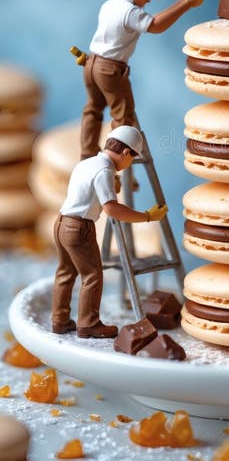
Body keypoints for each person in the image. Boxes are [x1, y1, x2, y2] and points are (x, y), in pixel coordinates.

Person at [52, 125, 167, 339]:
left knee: (65, 273)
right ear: (126, 153)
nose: (129, 163)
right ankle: (89, 324)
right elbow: (112, 208)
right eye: (132, 158)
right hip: (79, 228)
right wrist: (147, 216)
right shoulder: (104, 171)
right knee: (93, 276)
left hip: (61, 222)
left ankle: (59, 320)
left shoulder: (86, 164)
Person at [80, 0, 204, 160]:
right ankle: (114, 165)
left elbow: (154, 18)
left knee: (93, 111)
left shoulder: (110, 4)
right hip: (110, 69)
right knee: (122, 119)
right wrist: (187, 5)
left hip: (91, 65)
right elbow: (155, 25)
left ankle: (87, 157)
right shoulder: (130, 12)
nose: (148, 2)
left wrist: (182, 0)